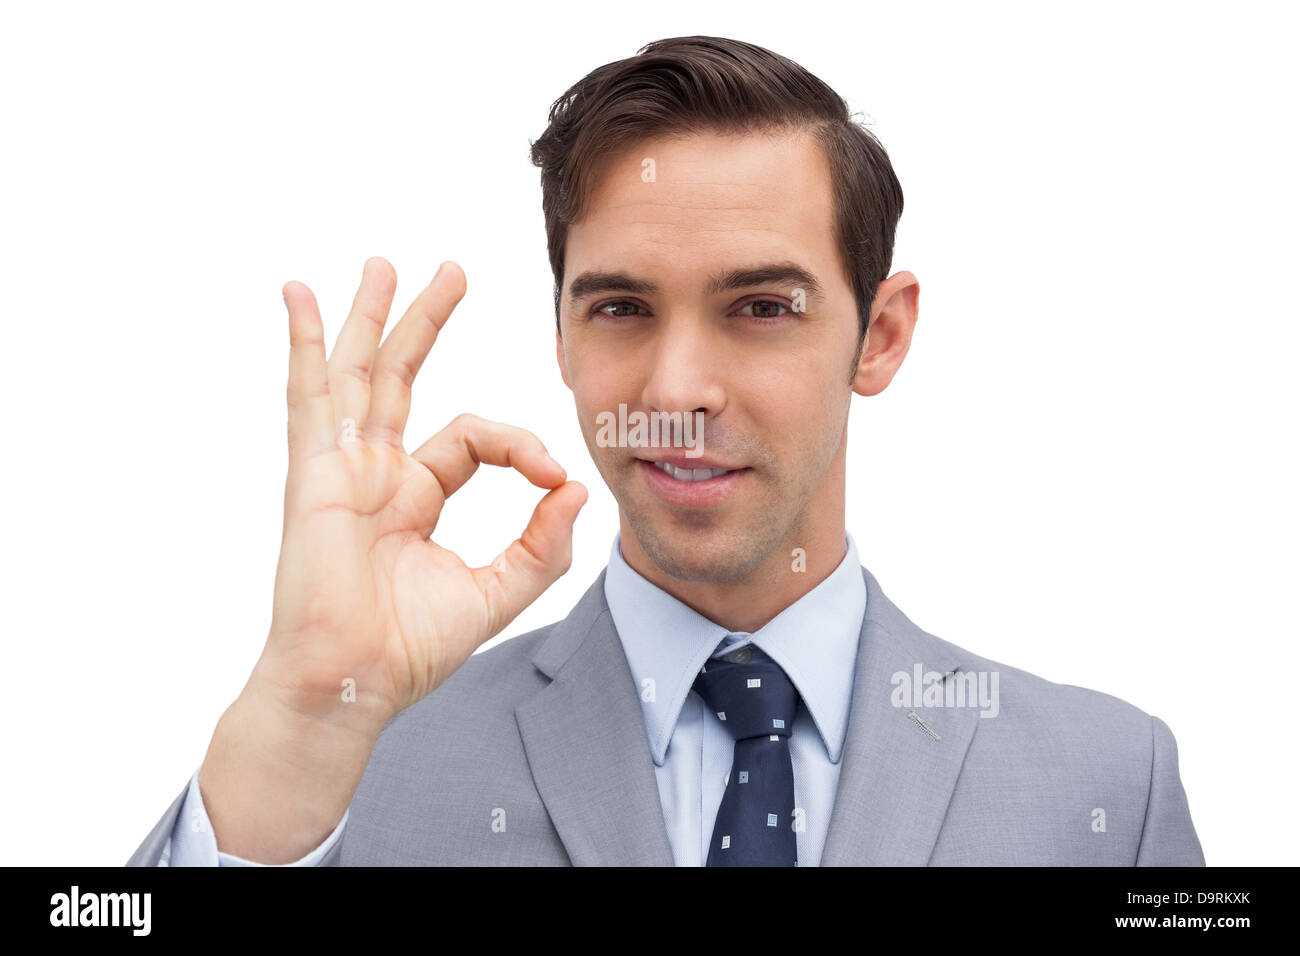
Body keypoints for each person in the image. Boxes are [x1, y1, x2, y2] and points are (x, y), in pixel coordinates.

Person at [128, 35, 1204, 867]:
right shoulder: (361, 759)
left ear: (879, 335)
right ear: (561, 336)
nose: (677, 391)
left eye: (762, 307)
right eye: (622, 308)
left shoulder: (1109, 785)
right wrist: (303, 715)